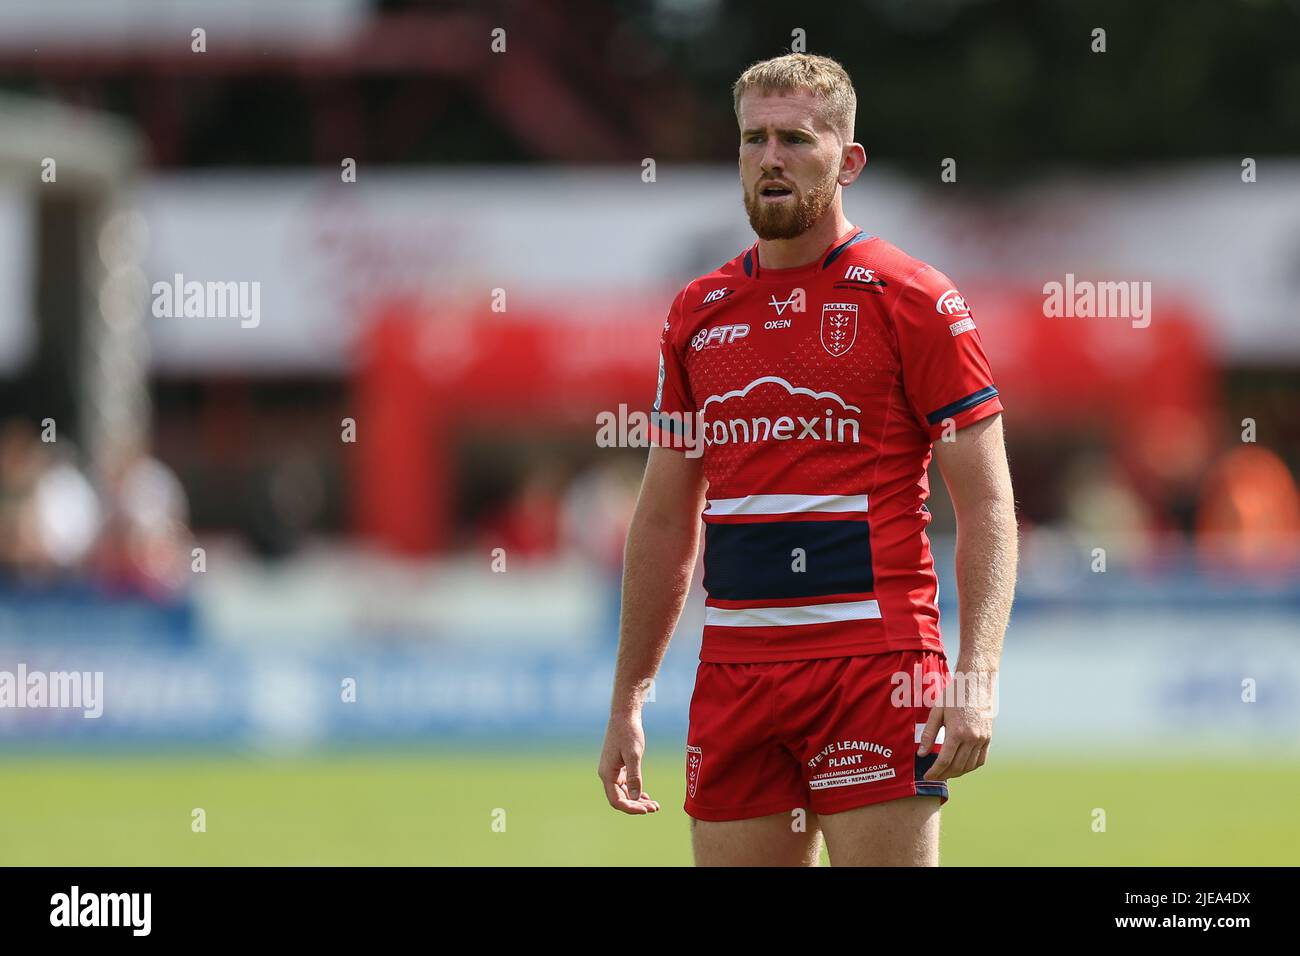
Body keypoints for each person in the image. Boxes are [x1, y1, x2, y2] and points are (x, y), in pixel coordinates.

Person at [597, 53, 1018, 866]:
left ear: (847, 160)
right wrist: (629, 696)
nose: (770, 158)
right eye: (753, 139)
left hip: (875, 669)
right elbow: (661, 518)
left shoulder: (916, 300)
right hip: (734, 674)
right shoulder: (696, 312)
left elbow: (990, 504)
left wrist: (979, 674)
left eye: (795, 137)